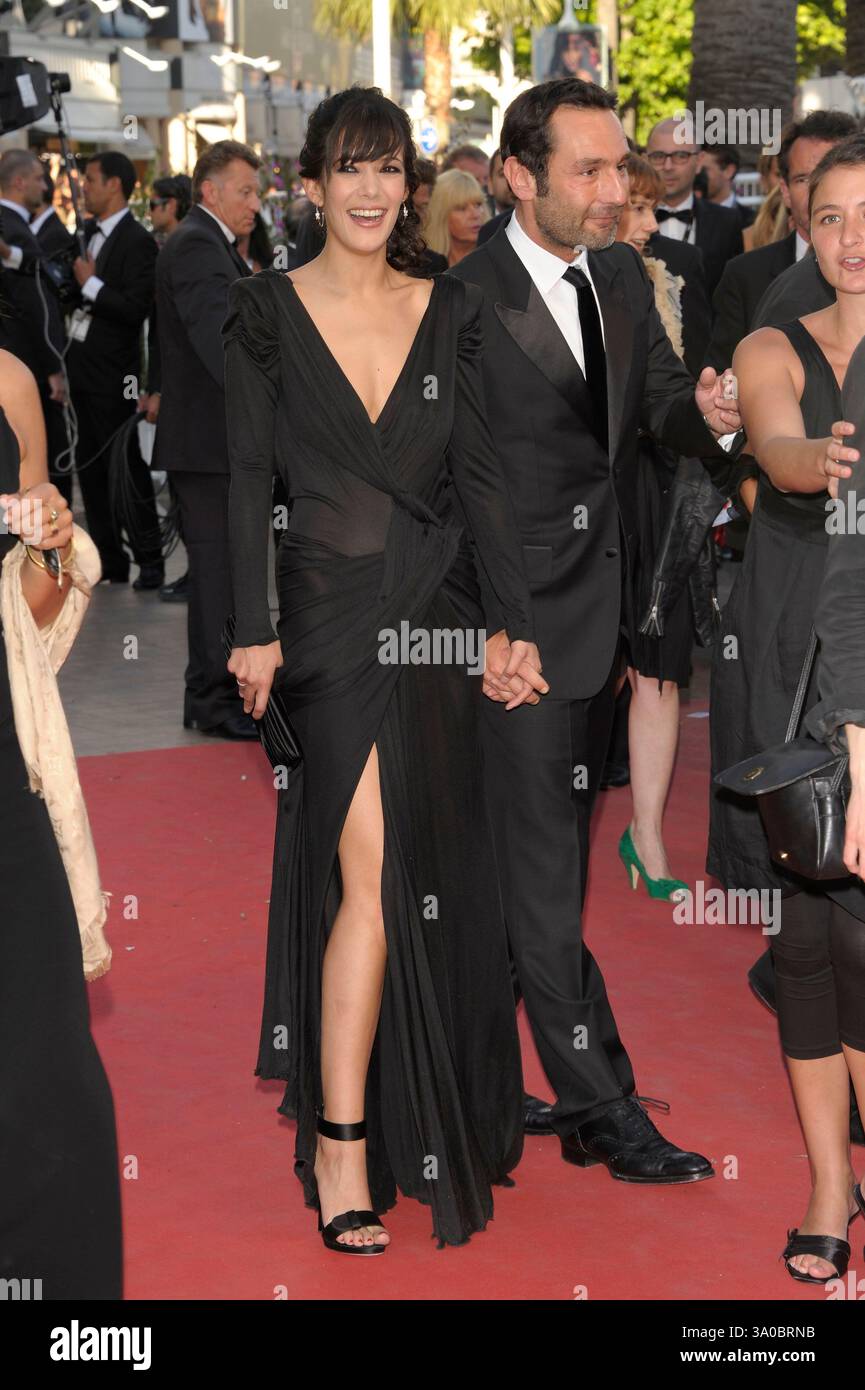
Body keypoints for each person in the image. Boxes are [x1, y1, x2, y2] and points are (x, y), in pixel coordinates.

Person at [224, 85, 546, 1253]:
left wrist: (510, 625)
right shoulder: (263, 310)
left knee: (431, 867)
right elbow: (245, 476)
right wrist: (250, 628)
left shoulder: (449, 307)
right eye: (346, 168)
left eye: (387, 167)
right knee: (364, 875)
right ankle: (341, 1142)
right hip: (323, 617)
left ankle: (415, 1105)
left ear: (410, 183)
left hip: (440, 615)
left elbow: (486, 477)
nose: (368, 189)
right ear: (308, 186)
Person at [450, 77, 740, 1171]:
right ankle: (601, 1107)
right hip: (514, 641)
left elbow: (657, 405)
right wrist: (488, 630)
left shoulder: (620, 272)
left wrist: (702, 414)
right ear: (517, 177)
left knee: (542, 871)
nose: (617, 188)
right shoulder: (463, 298)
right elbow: (448, 488)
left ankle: (479, 1085)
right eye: (590, 169)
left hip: (600, 624)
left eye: (621, 166)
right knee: (538, 882)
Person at [709, 132, 865, 1282]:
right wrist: (820, 455)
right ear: (801, 231)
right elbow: (774, 447)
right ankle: (826, 1180)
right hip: (791, 670)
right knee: (805, 938)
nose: (851, 240)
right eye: (829, 219)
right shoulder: (773, 337)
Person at [0, 348, 122, 1298]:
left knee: (42, 1055)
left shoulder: (7, 382)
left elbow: (36, 604)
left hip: (4, 754)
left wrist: (47, 544)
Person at [611, 152, 722, 901]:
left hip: (661, 496)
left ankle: (645, 835)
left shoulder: (670, 283)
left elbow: (691, 388)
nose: (652, 225)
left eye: (654, 209)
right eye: (638, 210)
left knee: (657, 673)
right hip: (578, 504)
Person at [153, 140, 261, 740]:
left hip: (210, 444)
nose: (255, 204)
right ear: (210, 190)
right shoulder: (198, 245)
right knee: (218, 573)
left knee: (221, 571)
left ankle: (210, 693)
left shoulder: (208, 243)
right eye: (245, 191)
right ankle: (213, 698)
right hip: (209, 445)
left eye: (259, 193)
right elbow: (222, 342)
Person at [66, 151, 163, 589]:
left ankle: (150, 558)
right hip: (79, 373)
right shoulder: (84, 233)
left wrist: (91, 284)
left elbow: (135, 307)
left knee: (124, 467)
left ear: (115, 185)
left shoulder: (138, 241)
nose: (83, 186)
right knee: (89, 470)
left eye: (90, 179)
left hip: (115, 376)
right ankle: (110, 561)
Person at [706, 112, 857, 374]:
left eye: (832, 173)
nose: (818, 189)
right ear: (784, 191)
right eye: (804, 179)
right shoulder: (744, 276)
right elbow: (722, 376)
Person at [0, 150, 67, 481]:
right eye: (40, 178)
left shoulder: (14, 230)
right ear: (18, 181)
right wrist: (53, 365)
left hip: (18, 362)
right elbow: (36, 304)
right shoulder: (11, 226)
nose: (45, 186)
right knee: (43, 469)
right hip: (25, 366)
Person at [645, 116, 744, 296]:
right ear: (646, 160)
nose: (668, 166)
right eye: (659, 156)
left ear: (699, 161)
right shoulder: (626, 221)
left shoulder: (727, 222)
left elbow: (732, 294)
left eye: (680, 156)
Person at [424, 169, 490, 267]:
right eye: (462, 208)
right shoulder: (421, 268)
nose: (475, 215)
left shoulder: (500, 261)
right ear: (441, 215)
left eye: (478, 205)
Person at [699, 144, 755, 228]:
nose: (697, 174)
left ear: (729, 171)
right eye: (695, 169)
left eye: (704, 170)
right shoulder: (685, 216)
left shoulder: (752, 221)